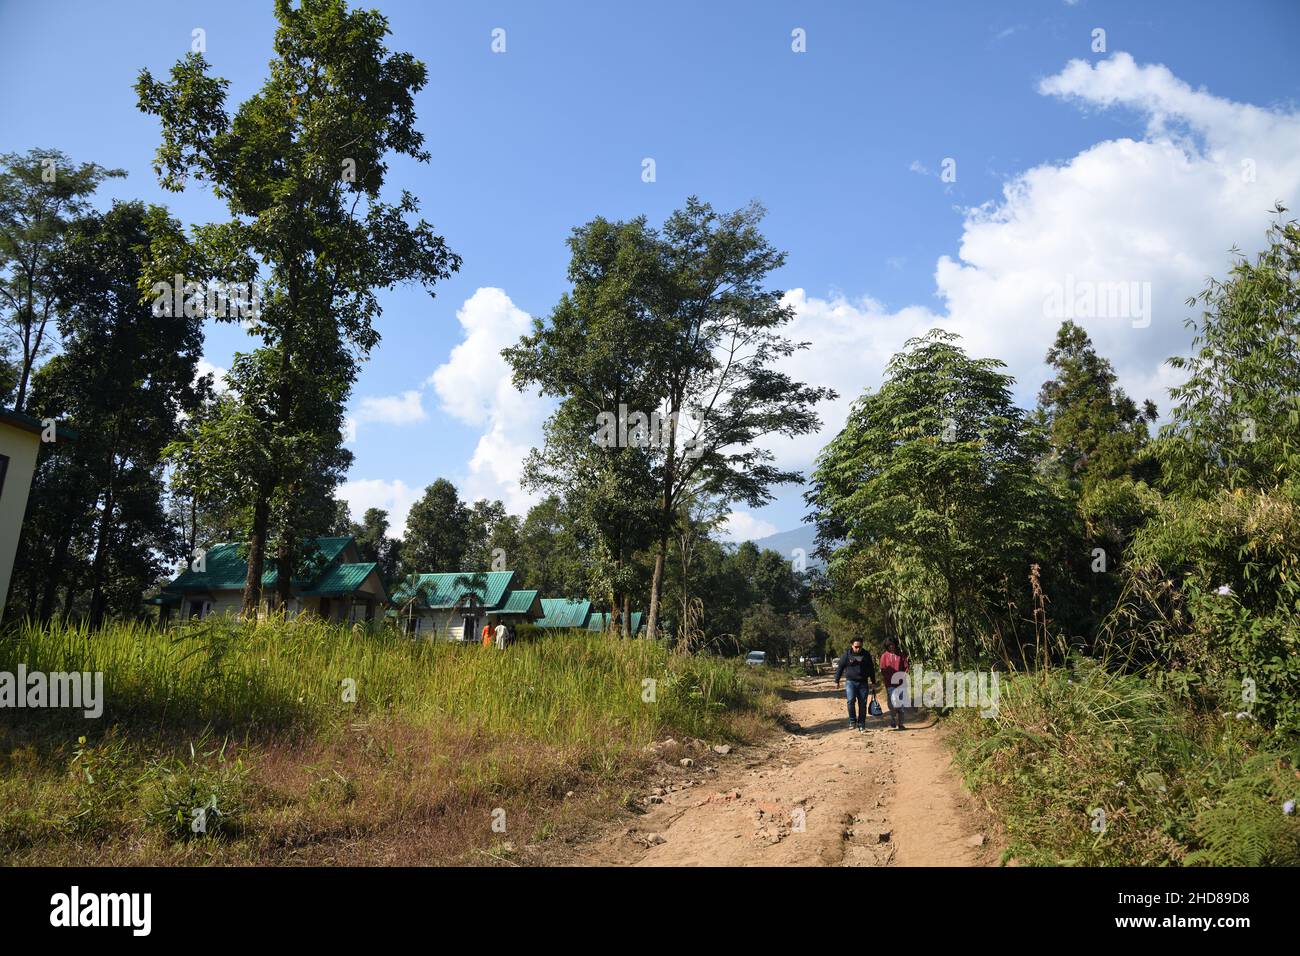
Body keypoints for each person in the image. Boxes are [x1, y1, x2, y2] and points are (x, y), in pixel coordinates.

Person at [834, 637, 877, 732]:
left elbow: (871, 668)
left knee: (863, 704)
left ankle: (861, 724)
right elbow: (840, 667)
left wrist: (873, 682)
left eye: (860, 647)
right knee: (850, 701)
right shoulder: (846, 655)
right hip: (850, 682)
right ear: (852, 645)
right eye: (856, 646)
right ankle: (852, 721)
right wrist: (836, 681)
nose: (858, 649)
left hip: (863, 683)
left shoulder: (866, 654)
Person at [880, 639, 910, 730]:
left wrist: (903, 676)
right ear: (887, 646)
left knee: (901, 703)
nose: (891, 647)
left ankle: (901, 723)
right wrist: (889, 678)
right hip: (890, 684)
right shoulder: (884, 656)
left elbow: (906, 667)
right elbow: (882, 669)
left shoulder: (901, 655)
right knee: (893, 703)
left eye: (892, 645)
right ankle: (893, 720)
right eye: (889, 645)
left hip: (901, 683)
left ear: (895, 645)